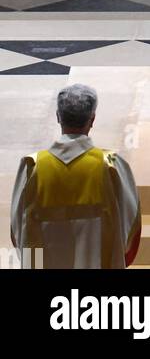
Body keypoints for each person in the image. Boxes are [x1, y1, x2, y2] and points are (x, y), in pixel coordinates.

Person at [10, 83, 141, 270]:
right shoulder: (111, 165)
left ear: (58, 117)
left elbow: (18, 231)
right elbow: (131, 226)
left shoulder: (33, 167)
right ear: (92, 119)